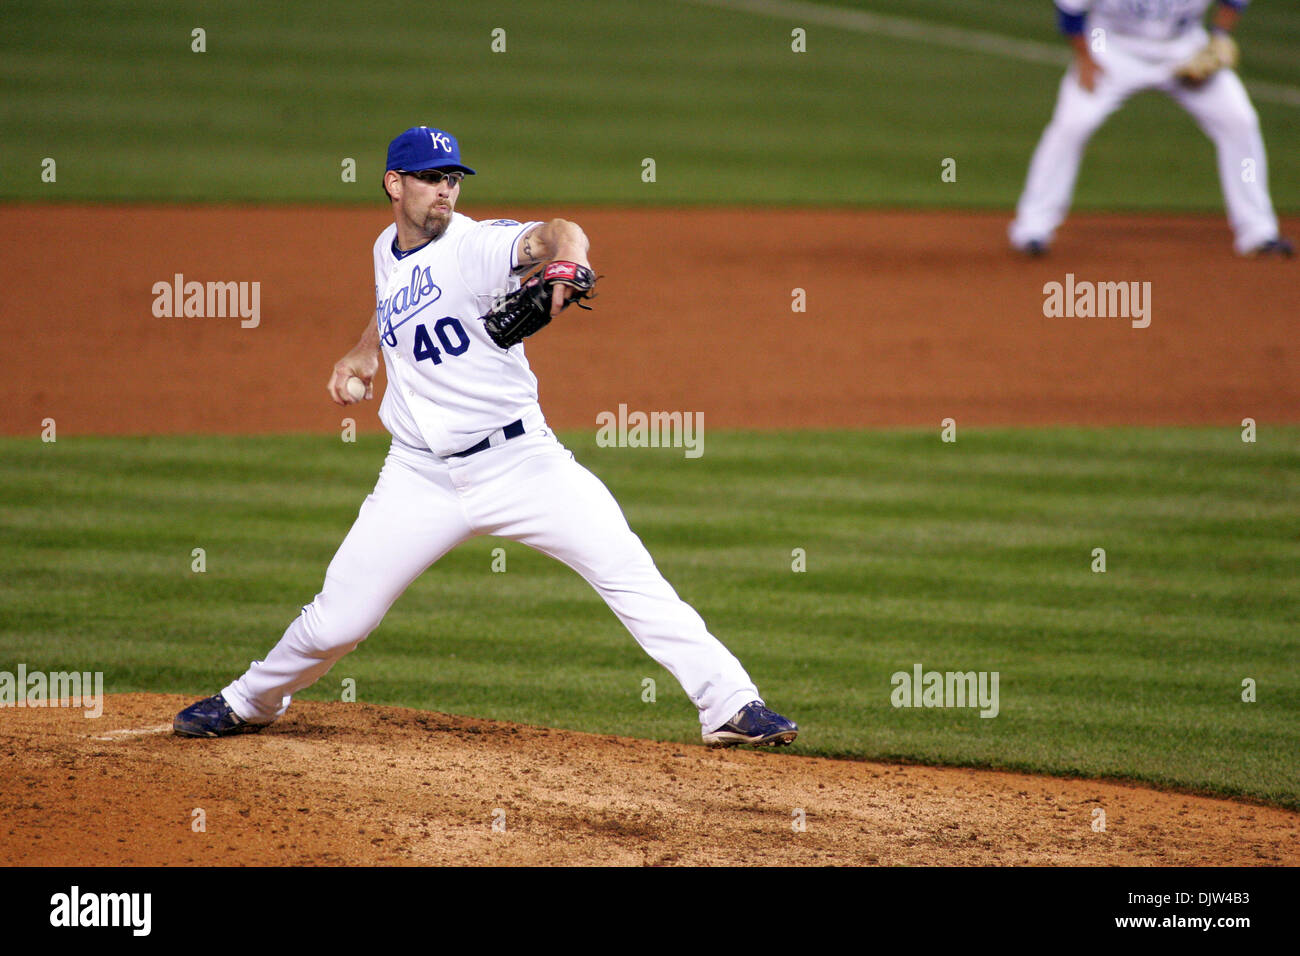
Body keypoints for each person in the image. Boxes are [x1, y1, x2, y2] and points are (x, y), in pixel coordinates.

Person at [173, 126, 798, 748]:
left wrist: (569, 261)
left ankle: (731, 704)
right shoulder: (386, 248)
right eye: (431, 178)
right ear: (395, 184)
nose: (445, 191)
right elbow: (393, 295)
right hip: (418, 477)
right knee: (339, 621)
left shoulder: (476, 246)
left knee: (628, 569)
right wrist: (364, 354)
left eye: (452, 179)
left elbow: (558, 232)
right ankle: (249, 701)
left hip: (523, 463)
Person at [1009, 0, 1293, 257]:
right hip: (1111, 49)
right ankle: (1033, 227)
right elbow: (1071, 10)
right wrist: (1085, 58)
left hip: (1187, 49)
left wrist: (1219, 35)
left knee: (1239, 121)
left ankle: (1258, 231)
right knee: (1072, 125)